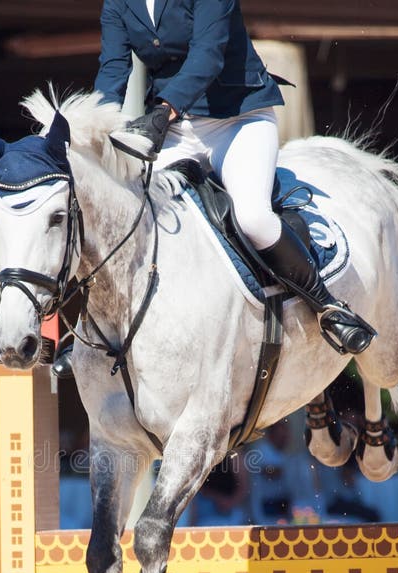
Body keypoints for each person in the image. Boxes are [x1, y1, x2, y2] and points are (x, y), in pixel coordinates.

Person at [52, 0, 376, 379]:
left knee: (252, 217)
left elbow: (208, 55)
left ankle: (326, 305)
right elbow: (113, 71)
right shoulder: (118, 5)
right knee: (129, 212)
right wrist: (91, 134)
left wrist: (162, 112)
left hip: (238, 119)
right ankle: (95, 324)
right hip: (175, 131)